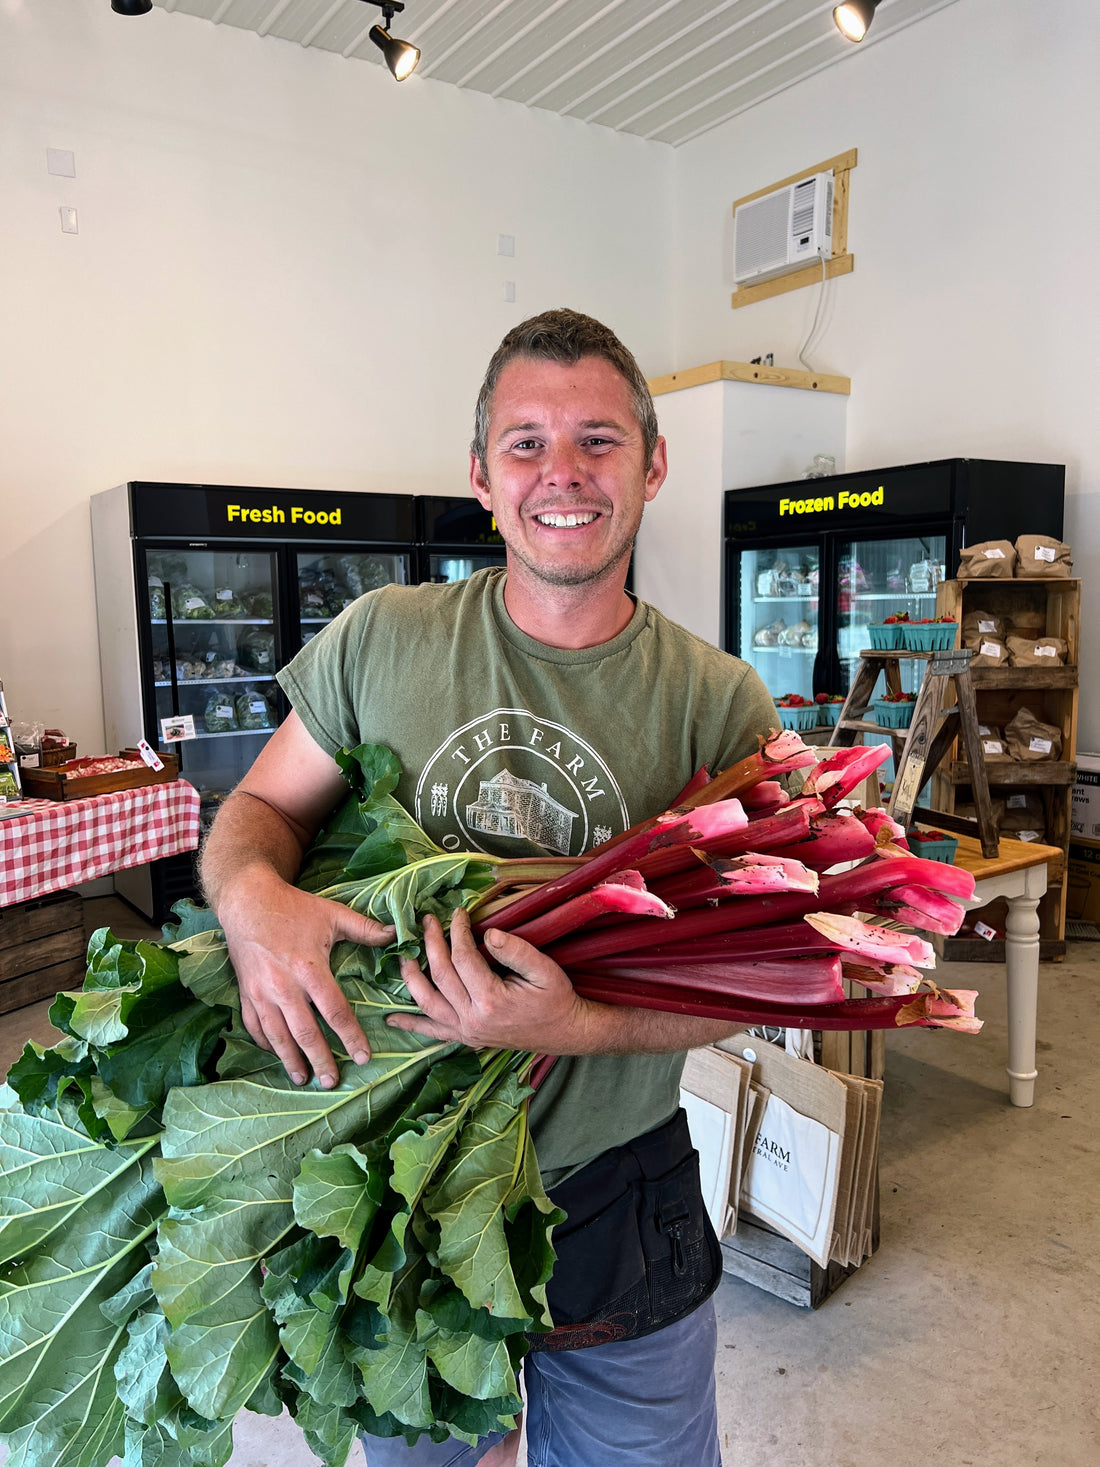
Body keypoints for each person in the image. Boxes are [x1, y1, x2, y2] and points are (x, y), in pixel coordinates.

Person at [199, 308, 781, 1466]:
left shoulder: (718, 705)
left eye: (598, 441)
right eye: (524, 443)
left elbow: (748, 986)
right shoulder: (381, 638)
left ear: (652, 464)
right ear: (478, 475)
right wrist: (249, 899)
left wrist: (578, 1024)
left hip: (613, 1187)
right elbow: (256, 815)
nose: (560, 475)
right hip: (384, 1177)